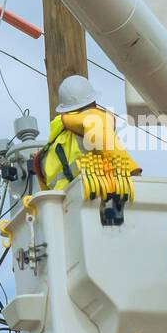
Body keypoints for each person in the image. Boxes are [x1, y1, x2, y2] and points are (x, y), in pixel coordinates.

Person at [35, 75, 139, 223]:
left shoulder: (47, 151)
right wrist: (132, 171)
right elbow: (109, 146)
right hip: (94, 205)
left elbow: (46, 194)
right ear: (93, 101)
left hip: (64, 216)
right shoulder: (92, 118)